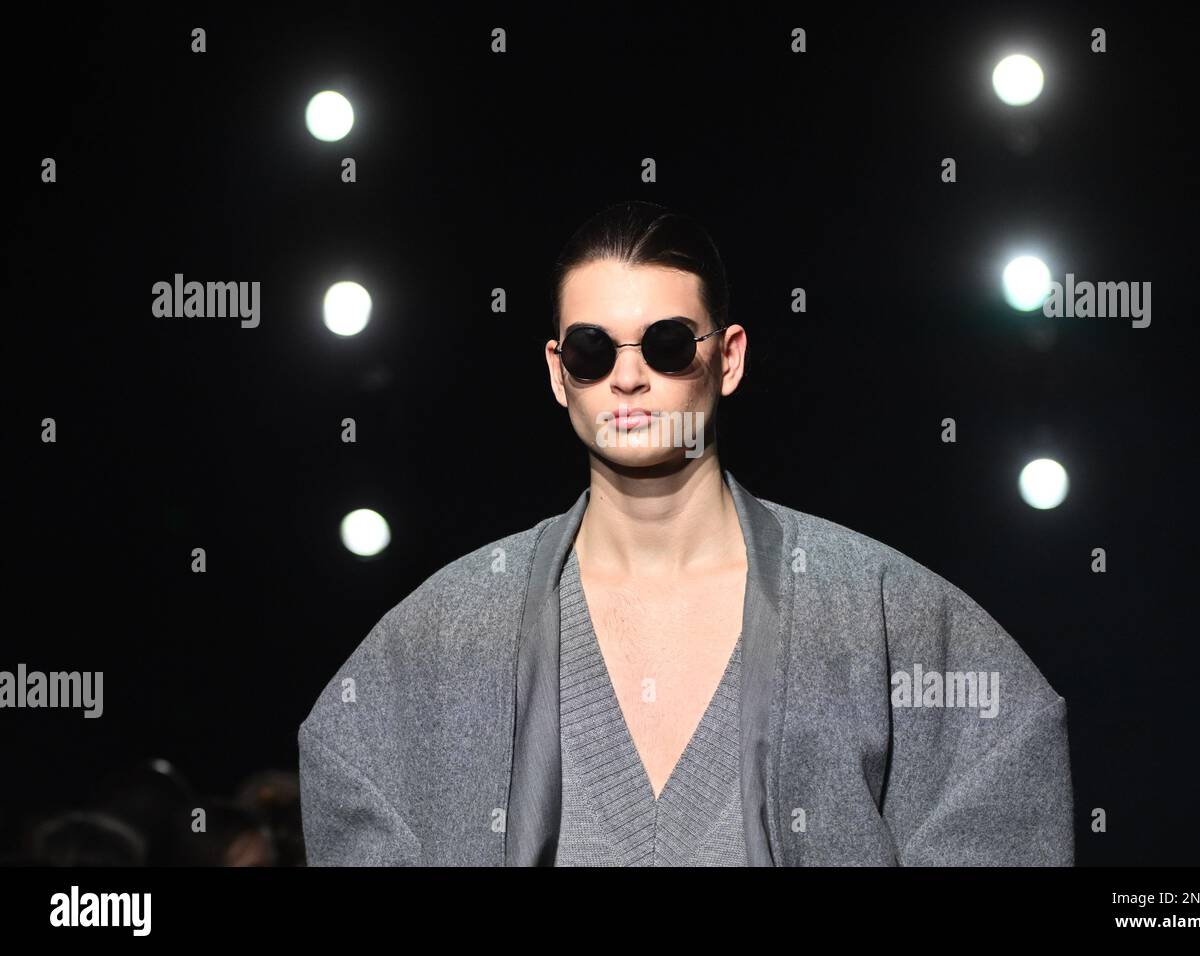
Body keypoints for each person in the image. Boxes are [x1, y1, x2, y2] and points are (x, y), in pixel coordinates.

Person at [298, 200, 1074, 866]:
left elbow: (1009, 763)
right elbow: (343, 759)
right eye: (591, 351)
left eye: (667, 345)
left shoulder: (874, 610)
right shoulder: (452, 628)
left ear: (727, 358)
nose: (628, 378)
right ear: (555, 372)